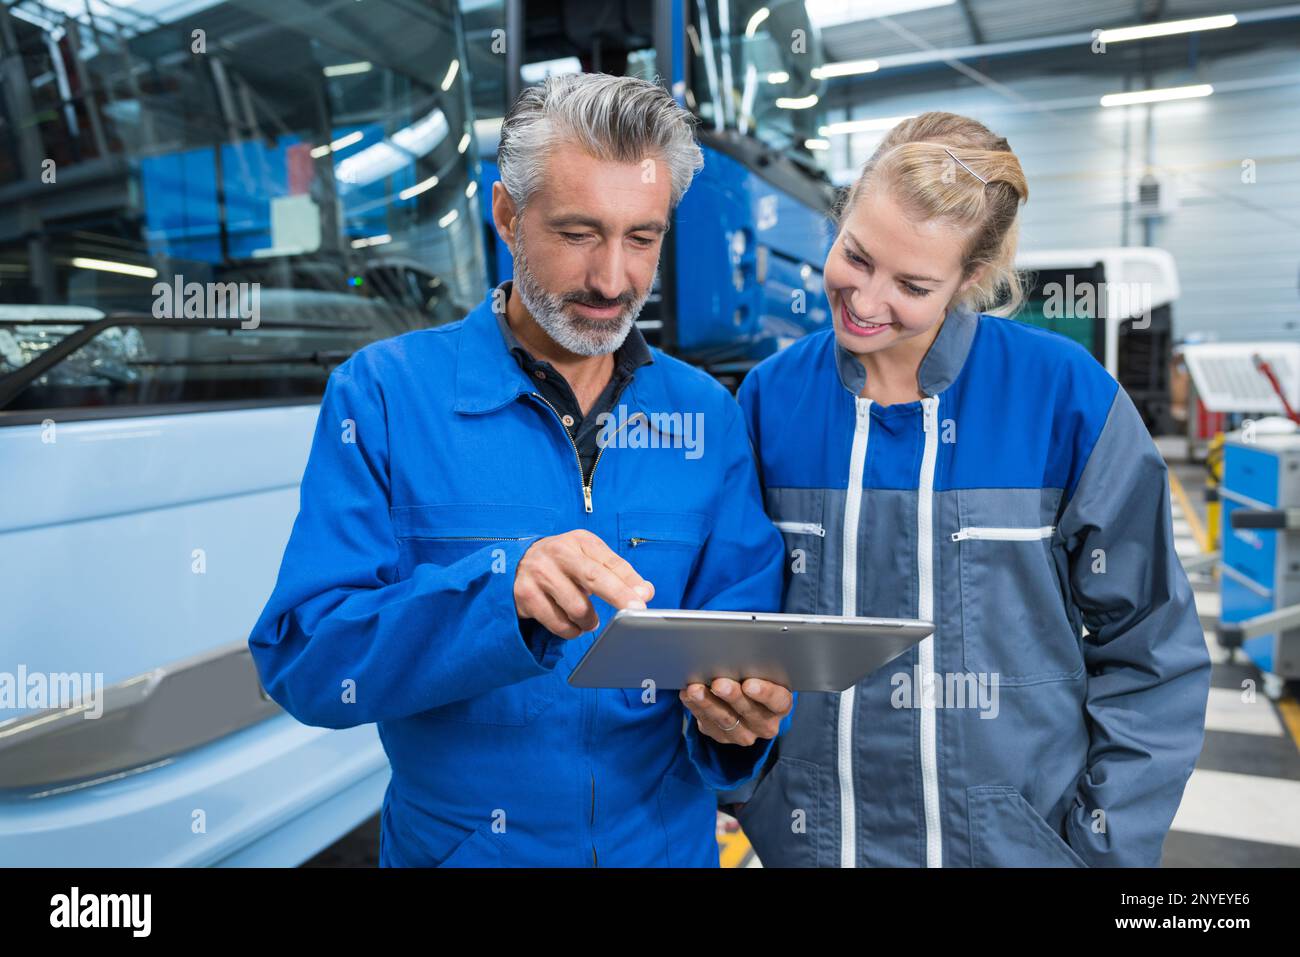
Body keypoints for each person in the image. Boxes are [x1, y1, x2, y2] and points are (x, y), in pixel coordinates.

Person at [248, 73, 793, 867]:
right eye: (578, 233)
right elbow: (306, 661)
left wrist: (739, 724)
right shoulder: (385, 397)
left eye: (642, 238)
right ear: (505, 215)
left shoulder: (706, 415)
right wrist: (499, 594)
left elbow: (742, 651)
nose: (613, 280)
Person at [726, 111, 1210, 867]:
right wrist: (753, 784)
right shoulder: (768, 401)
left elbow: (1152, 651)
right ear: (842, 216)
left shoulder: (1065, 400)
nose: (867, 299)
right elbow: (734, 624)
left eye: (913, 284)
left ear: (969, 280)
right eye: (856, 255)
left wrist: (1096, 850)